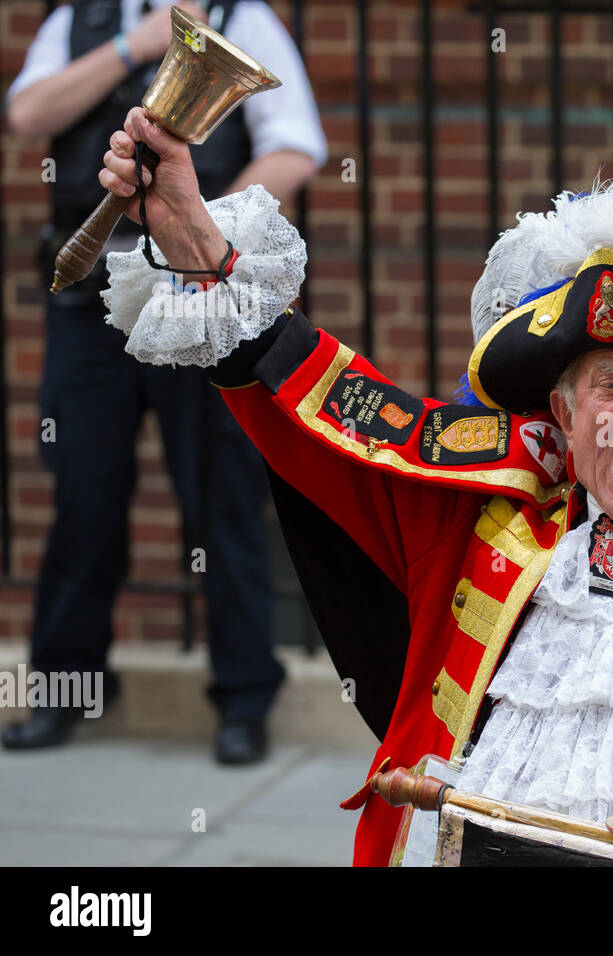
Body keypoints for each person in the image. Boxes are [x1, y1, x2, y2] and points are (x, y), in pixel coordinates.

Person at [96, 104, 613, 865]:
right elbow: (331, 423)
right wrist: (197, 244)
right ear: (565, 422)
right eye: (610, 386)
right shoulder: (486, 518)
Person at [0, 0, 327, 764]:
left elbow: (297, 147)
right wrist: (131, 45)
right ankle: (66, 690)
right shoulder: (79, 20)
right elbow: (27, 113)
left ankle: (243, 701)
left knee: (221, 495)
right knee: (83, 492)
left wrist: (200, 227)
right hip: (88, 309)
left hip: (194, 296)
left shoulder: (242, 16)